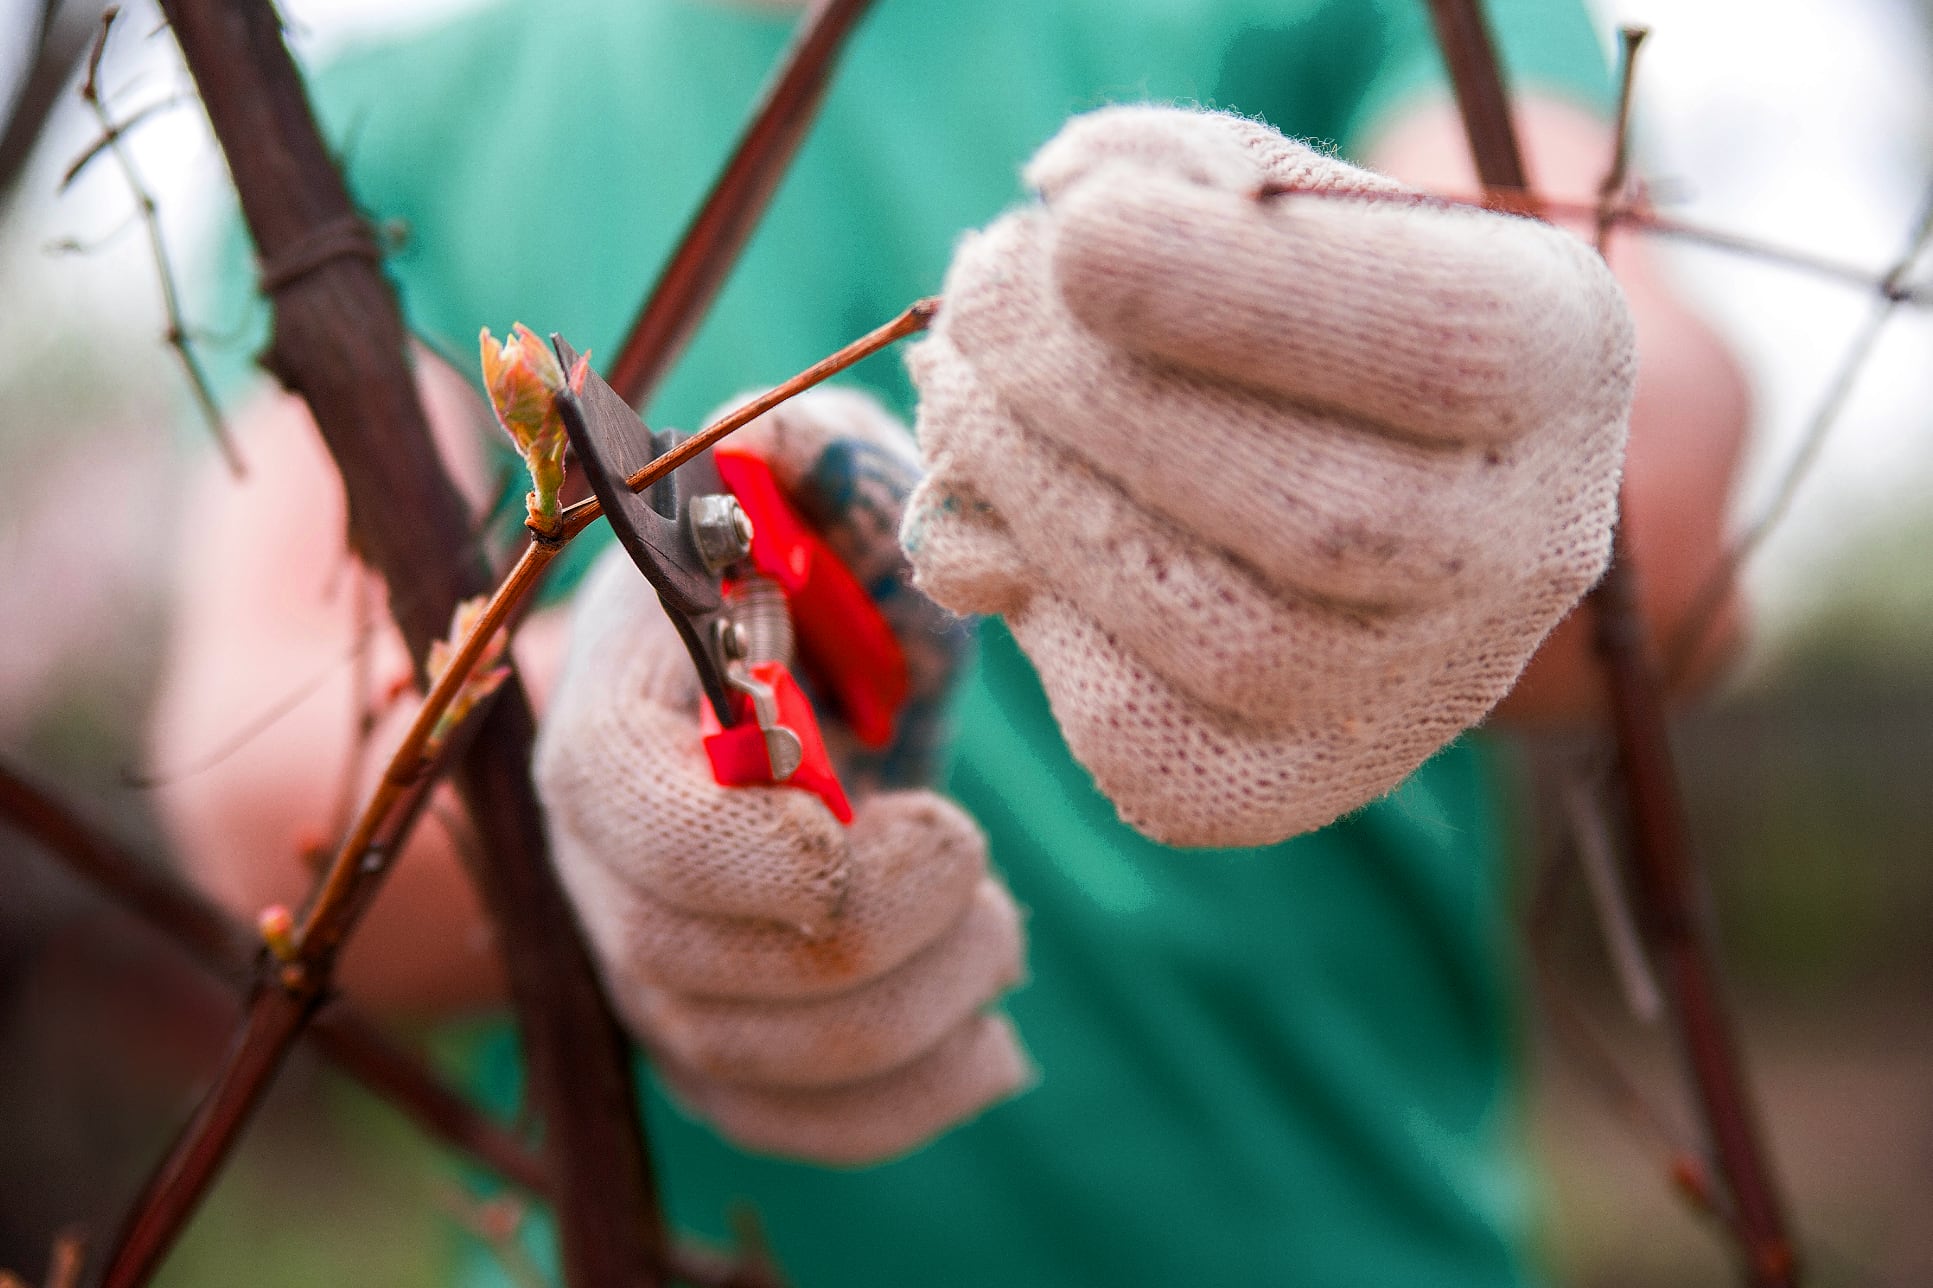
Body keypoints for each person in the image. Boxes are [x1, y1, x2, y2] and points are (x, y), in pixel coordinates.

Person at [150, 0, 1747, 1284]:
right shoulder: (377, 147)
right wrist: (605, 742)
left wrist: (1531, 433)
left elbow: (1661, 490)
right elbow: (266, 799)